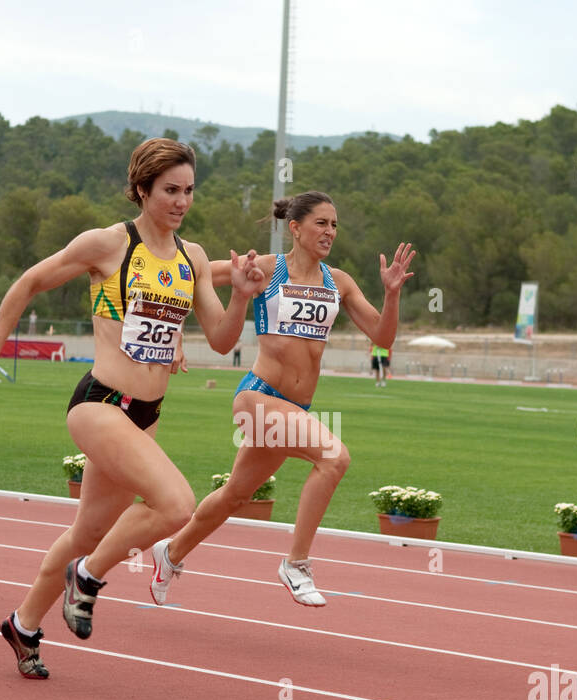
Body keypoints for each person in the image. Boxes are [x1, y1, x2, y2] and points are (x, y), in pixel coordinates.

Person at [0, 138, 264, 678]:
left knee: (87, 533)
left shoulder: (191, 258)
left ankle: (23, 624)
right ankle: (90, 578)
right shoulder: (106, 244)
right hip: (99, 404)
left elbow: (219, 338)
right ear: (142, 189)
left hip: (144, 416)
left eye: (189, 190)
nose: (181, 201)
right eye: (170, 190)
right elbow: (29, 281)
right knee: (175, 505)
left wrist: (239, 296)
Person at [150, 191, 416, 608]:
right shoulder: (268, 268)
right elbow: (192, 273)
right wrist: (175, 330)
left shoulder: (339, 282)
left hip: (295, 408)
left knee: (236, 494)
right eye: (321, 223)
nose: (330, 232)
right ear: (295, 227)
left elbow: (382, 336)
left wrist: (392, 294)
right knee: (334, 457)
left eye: (334, 225)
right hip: (258, 397)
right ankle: (296, 563)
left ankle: (171, 552)